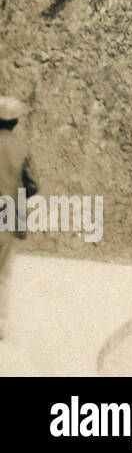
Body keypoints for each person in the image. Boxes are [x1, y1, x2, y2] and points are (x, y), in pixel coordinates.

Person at [0, 96, 35, 341]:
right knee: (4, 274)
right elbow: (32, 184)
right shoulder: (23, 146)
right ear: (16, 122)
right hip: (11, 215)